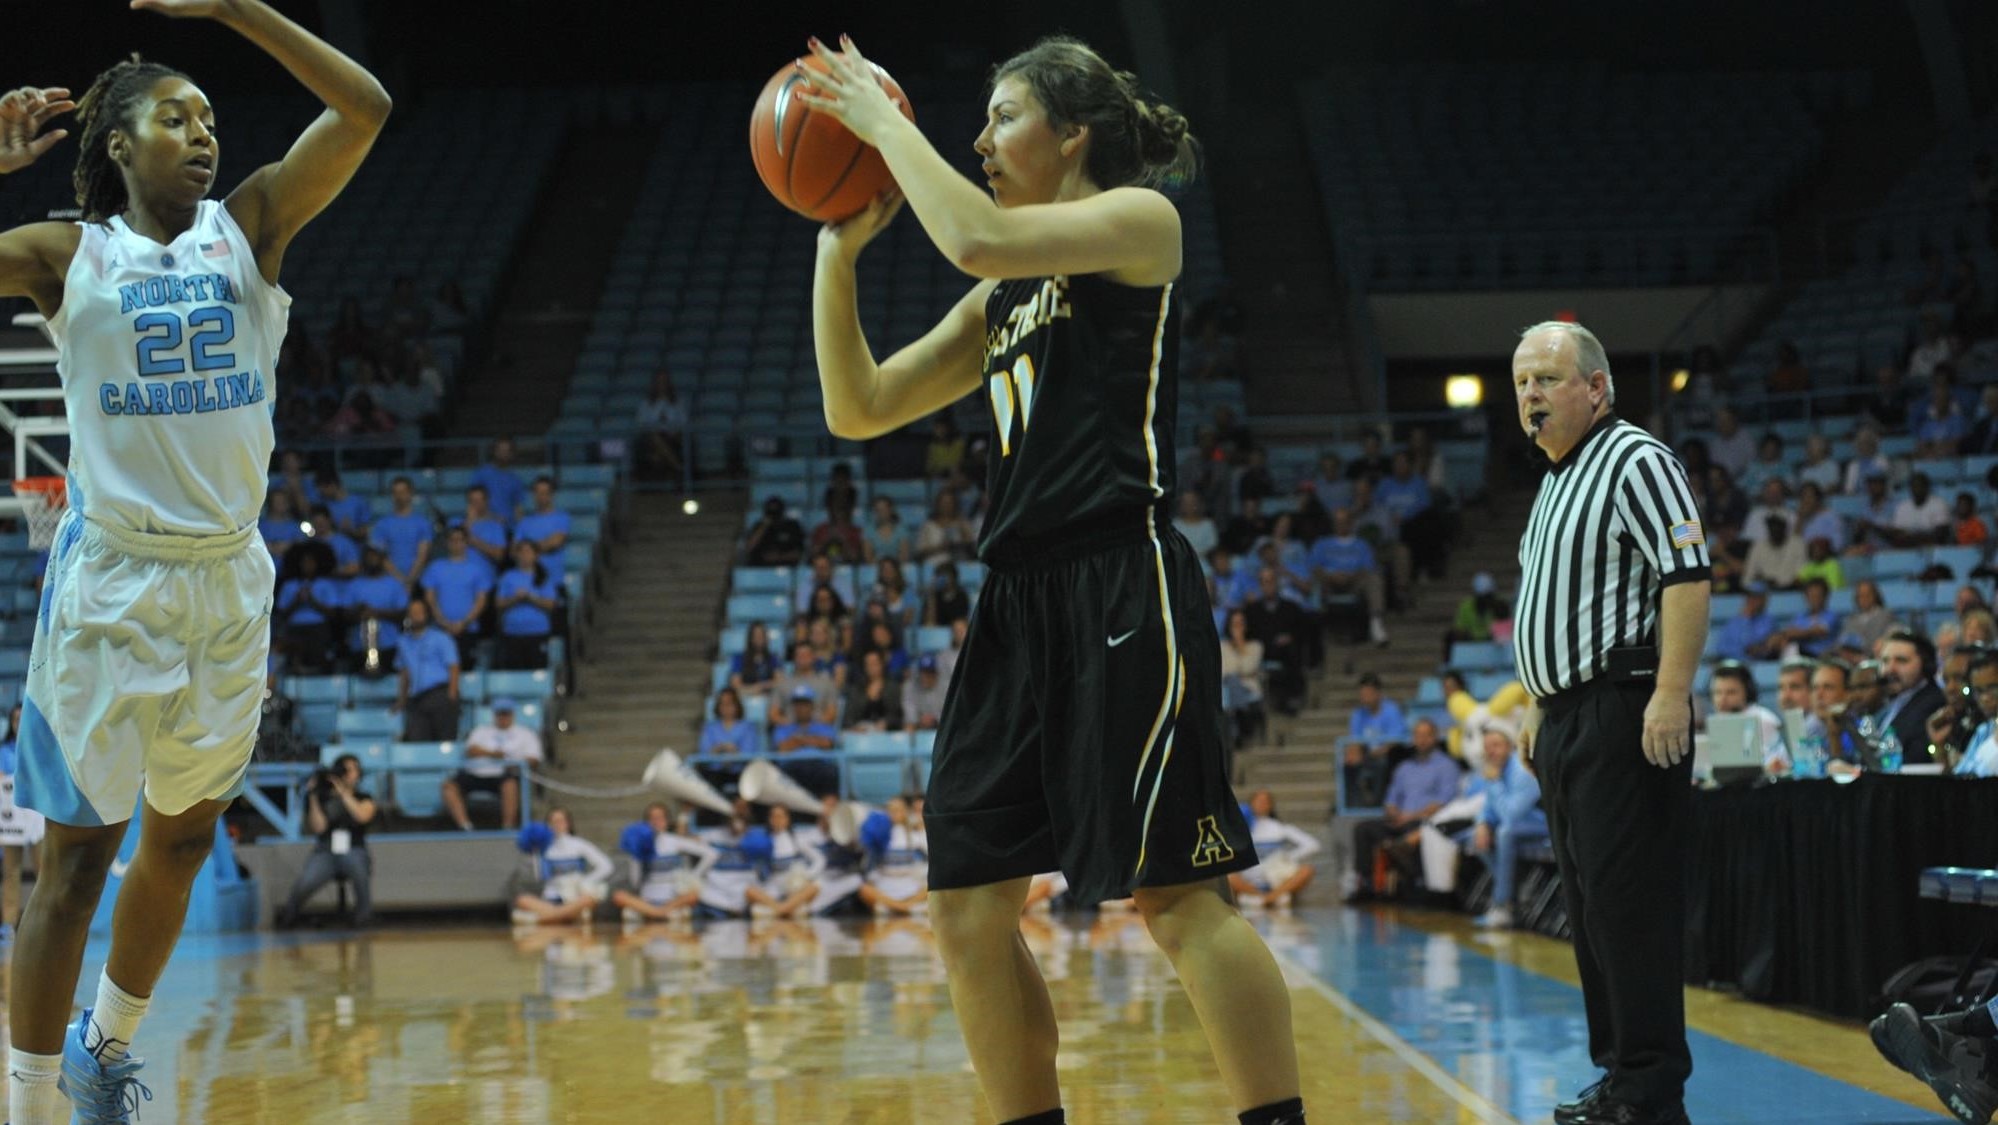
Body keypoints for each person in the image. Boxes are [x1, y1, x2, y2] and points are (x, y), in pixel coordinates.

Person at [802, 33, 1302, 1125]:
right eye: (976, 124)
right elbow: (860, 406)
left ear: (1071, 135)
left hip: (1123, 578)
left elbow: (978, 238)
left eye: (1003, 118)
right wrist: (837, 253)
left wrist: (884, 124)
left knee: (1176, 899)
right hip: (1016, 605)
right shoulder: (1000, 303)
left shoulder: (1141, 223)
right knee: (967, 910)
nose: (980, 140)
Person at [0, 8, 389, 1120]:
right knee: (76, 866)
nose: (204, 133)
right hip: (112, 587)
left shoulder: (251, 225)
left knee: (182, 838)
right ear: (118, 145)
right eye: (176, 118)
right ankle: (25, 1107)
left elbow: (366, 110)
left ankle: (102, 1051)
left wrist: (237, 9)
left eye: (210, 117)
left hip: (226, 579)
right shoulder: (65, 255)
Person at [1512, 321, 1708, 1125]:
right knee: (1590, 909)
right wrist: (1534, 702)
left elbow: (1687, 574)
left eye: (1549, 378)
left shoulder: (1636, 458)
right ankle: (1621, 1073)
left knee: (1630, 905)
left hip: (1623, 709)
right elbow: (1550, 607)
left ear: (1596, 387)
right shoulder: (1556, 480)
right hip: (1564, 718)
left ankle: (1653, 1088)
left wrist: (1673, 688)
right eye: (1521, 381)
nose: (1530, 395)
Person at [272, 754, 377, 929]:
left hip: (354, 848)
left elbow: (363, 816)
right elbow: (318, 828)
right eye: (346, 770)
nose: (350, 774)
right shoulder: (322, 797)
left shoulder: (363, 796)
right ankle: (289, 916)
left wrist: (344, 794)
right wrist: (313, 796)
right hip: (325, 851)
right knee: (305, 882)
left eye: (354, 770)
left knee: (360, 872)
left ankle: (364, 918)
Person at [1469, 724, 1547, 930]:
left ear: (1510, 746)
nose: (1491, 751)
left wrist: (1494, 784)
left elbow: (1511, 815)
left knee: (1504, 832)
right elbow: (1488, 808)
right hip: (1516, 827)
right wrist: (1482, 824)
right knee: (1474, 837)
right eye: (1487, 747)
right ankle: (1514, 894)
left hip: (1542, 825)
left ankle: (1502, 905)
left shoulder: (1522, 770)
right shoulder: (1496, 770)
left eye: (1496, 745)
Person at [442, 698, 541, 831]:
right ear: (494, 714)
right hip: (476, 773)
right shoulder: (481, 731)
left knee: (510, 785)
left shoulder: (525, 734)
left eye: (506, 713)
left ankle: (508, 827)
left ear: (512, 714)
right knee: (449, 786)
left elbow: (534, 759)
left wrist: (515, 763)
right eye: (499, 713)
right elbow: (471, 750)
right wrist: (494, 754)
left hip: (504, 774)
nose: (502, 717)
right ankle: (465, 827)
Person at [610, 803, 715, 924]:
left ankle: (655, 913)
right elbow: (635, 881)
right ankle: (660, 913)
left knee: (694, 895)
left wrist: (694, 876)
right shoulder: (640, 844)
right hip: (648, 897)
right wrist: (637, 859)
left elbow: (710, 854)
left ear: (667, 821)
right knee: (618, 896)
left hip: (672, 898)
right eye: (652, 819)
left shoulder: (674, 841)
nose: (656, 822)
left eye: (660, 818)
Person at [511, 808, 613, 925]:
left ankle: (539, 919)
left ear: (568, 823)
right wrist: (534, 855)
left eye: (561, 821)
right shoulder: (542, 848)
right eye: (553, 822)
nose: (557, 825)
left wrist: (587, 881)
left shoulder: (579, 844)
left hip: (574, 896)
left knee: (590, 899)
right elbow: (537, 878)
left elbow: (606, 866)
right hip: (551, 897)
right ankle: (564, 916)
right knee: (522, 900)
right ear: (547, 825)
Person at [1226, 790, 1318, 909]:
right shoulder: (1239, 827)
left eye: (1265, 801)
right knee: (1227, 876)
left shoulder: (1279, 827)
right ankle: (1261, 896)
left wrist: (1287, 857)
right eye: (1258, 801)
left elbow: (1312, 845)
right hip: (1249, 879)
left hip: (1276, 878)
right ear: (1251, 803)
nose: (1261, 804)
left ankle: (1270, 897)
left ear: (1271, 805)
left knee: (1307, 870)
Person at [395, 597, 460, 741]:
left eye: (419, 612)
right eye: (412, 612)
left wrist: (452, 695)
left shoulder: (441, 638)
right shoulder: (403, 642)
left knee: (445, 740)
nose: (416, 616)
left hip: (440, 694)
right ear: (407, 616)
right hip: (416, 698)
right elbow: (404, 672)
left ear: (426, 614)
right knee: (417, 741)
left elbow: (453, 666)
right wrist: (402, 700)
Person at [492, 540, 558, 671]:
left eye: (528, 551)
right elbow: (498, 603)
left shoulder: (544, 577)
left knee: (537, 672)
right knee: (515, 673)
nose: (524, 555)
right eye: (521, 551)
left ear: (536, 555)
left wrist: (530, 597)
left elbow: (550, 604)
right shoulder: (508, 577)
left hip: (537, 632)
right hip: (512, 633)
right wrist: (515, 599)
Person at [744, 495, 807, 567]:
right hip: (761, 568)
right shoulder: (759, 526)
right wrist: (764, 526)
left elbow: (799, 553)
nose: (774, 517)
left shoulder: (793, 526)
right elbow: (748, 548)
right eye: (771, 513)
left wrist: (779, 557)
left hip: (787, 568)